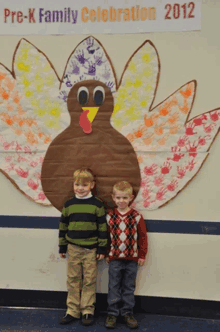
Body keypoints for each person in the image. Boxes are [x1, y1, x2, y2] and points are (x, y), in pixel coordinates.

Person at [58, 168, 108, 326]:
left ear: (92, 185)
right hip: (72, 248)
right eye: (76, 184)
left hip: (91, 250)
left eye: (84, 185)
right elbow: (63, 226)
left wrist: (101, 249)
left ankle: (87, 310)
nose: (80, 188)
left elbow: (102, 228)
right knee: (73, 279)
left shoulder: (97, 204)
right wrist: (62, 247)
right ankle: (72, 310)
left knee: (89, 280)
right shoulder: (69, 204)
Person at [105, 181, 148, 329]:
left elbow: (142, 237)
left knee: (129, 287)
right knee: (114, 286)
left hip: (132, 259)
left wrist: (142, 255)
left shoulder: (136, 216)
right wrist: (106, 253)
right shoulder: (110, 216)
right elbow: (106, 237)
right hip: (115, 259)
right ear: (113, 198)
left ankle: (127, 312)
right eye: (118, 198)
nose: (121, 201)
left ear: (131, 197)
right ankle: (112, 313)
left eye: (124, 198)